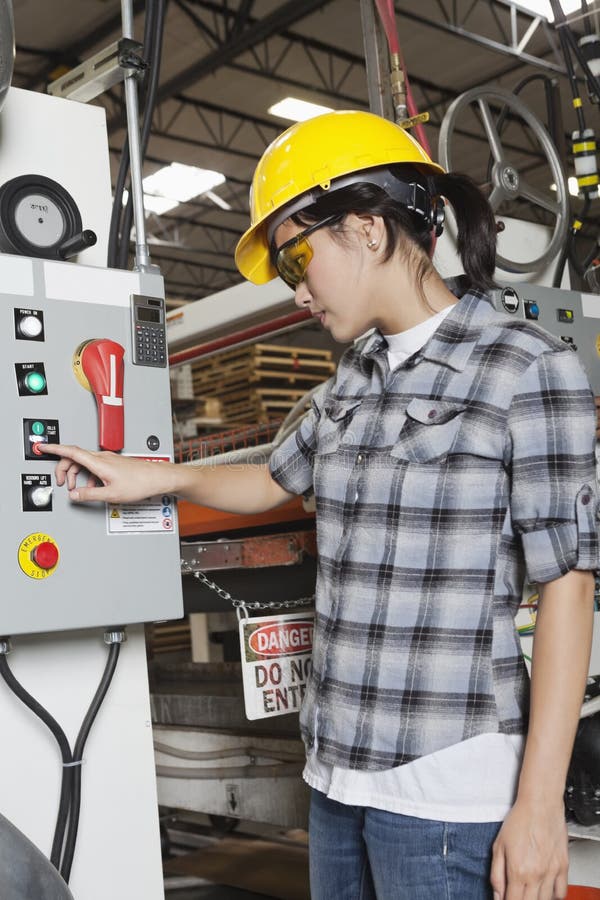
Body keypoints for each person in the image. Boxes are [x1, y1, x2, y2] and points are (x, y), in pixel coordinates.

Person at [46, 110, 598, 900]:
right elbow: (275, 480)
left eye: (298, 260)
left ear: (368, 229)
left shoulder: (523, 367)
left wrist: (539, 805)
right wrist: (154, 477)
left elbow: (567, 586)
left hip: (446, 790)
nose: (298, 292)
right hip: (336, 775)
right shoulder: (353, 377)